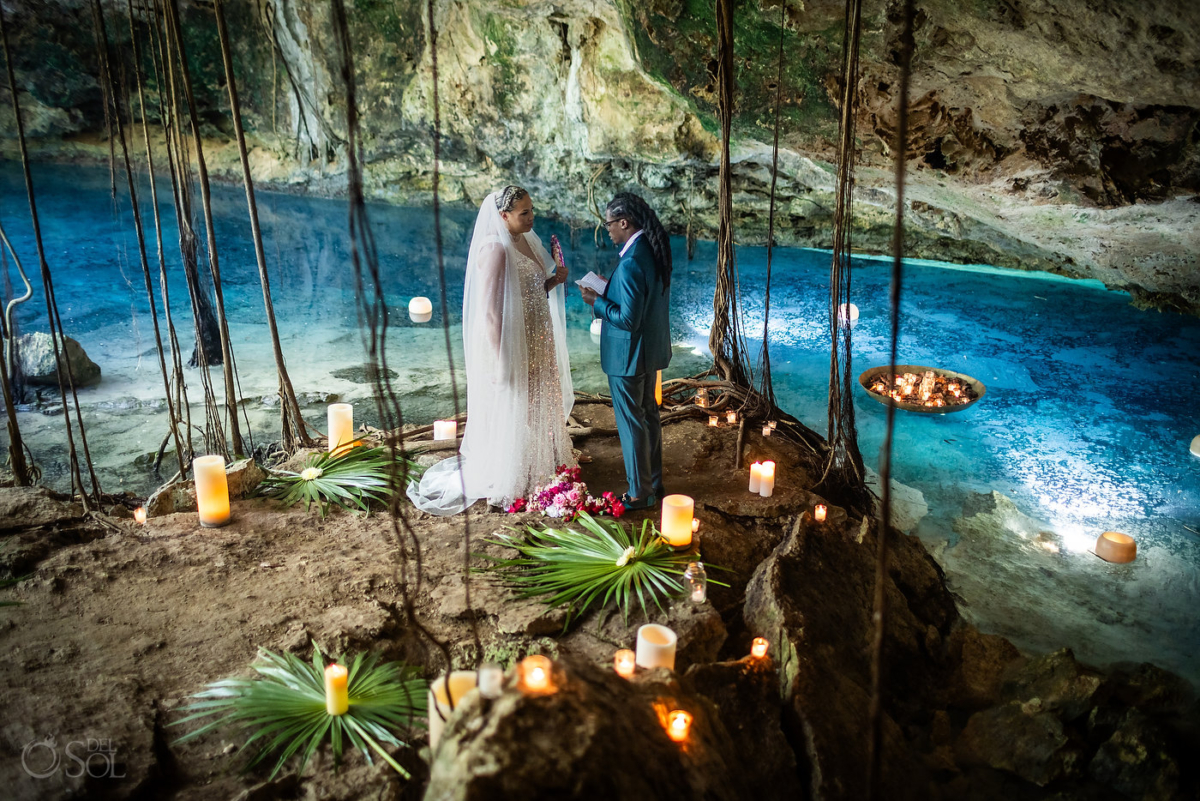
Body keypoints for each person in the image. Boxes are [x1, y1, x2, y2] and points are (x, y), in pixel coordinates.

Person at [408, 185, 574, 515]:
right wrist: (501, 360)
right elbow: (490, 313)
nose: (531, 217)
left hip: (536, 338)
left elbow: (530, 291)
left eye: (531, 210)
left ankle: (535, 463)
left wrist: (554, 281)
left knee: (534, 400)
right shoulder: (495, 249)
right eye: (524, 212)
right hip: (509, 345)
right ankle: (511, 473)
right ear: (503, 216)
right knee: (514, 403)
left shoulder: (527, 239)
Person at [579, 192, 671, 509]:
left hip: (627, 357)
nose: (607, 230)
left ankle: (637, 494)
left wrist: (598, 301)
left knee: (632, 425)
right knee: (647, 419)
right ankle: (654, 485)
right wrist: (612, 288)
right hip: (647, 354)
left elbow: (628, 320)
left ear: (624, 222)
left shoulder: (631, 261)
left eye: (609, 224)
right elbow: (643, 306)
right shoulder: (650, 251)